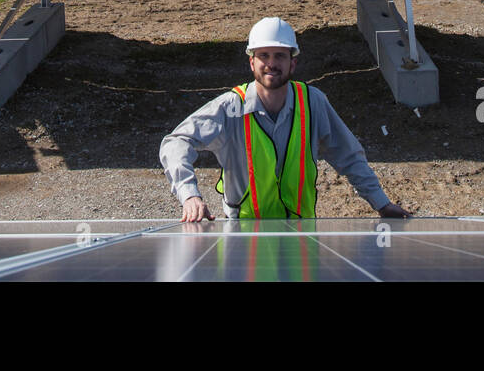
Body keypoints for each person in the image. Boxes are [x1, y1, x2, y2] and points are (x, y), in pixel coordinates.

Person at [159, 16, 411, 221]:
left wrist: (381, 204)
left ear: (292, 63)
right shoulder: (230, 107)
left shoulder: (313, 103)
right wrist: (189, 194)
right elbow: (176, 142)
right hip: (243, 240)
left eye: (280, 55)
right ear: (251, 63)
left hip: (302, 239)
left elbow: (349, 156)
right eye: (264, 56)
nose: (271, 64)